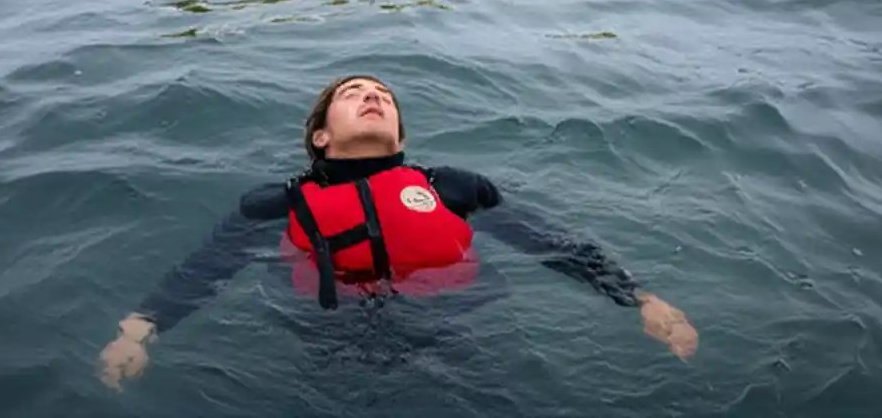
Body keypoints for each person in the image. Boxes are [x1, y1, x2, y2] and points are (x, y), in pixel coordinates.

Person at [99, 75, 698, 389]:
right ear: (320, 137)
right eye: (354, 93)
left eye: (383, 96)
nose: (372, 97)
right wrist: (139, 329)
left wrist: (638, 298)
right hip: (325, 350)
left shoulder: (455, 188)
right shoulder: (277, 204)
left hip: (460, 337)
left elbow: (550, 243)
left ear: (401, 137)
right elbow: (205, 269)